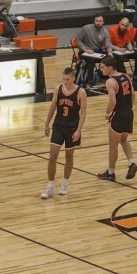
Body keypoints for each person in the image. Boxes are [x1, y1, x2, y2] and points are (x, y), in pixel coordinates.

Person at [40, 64, 85, 200]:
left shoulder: (81, 92)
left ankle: (65, 183)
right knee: (52, 156)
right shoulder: (58, 89)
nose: (65, 82)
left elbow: (83, 114)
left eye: (67, 80)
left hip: (72, 128)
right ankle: (50, 186)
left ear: (73, 78)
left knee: (69, 157)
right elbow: (53, 106)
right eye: (63, 79)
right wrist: (47, 123)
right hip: (58, 126)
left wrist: (79, 130)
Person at [97, 58, 137, 181]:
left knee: (113, 146)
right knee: (124, 140)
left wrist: (107, 113)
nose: (101, 69)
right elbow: (133, 95)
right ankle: (131, 162)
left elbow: (113, 101)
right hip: (129, 113)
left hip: (118, 114)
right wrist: (128, 109)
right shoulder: (125, 76)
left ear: (110, 67)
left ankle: (111, 172)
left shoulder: (110, 82)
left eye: (103, 66)